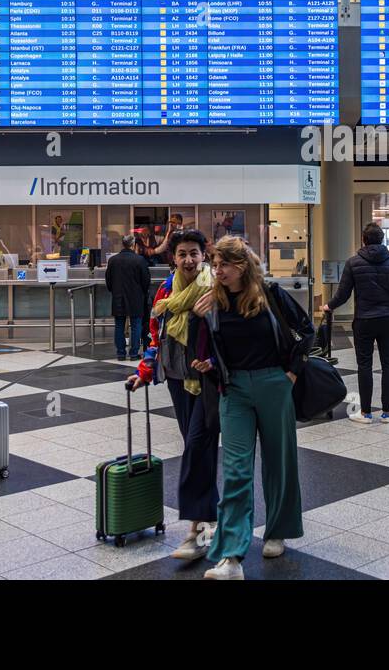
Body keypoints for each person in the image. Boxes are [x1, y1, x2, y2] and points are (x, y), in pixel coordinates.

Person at [193, 236, 309, 580]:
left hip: (275, 383)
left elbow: (307, 331)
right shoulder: (211, 302)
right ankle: (231, 556)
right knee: (235, 470)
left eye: (223, 265)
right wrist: (205, 349)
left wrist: (291, 373)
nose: (217, 271)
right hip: (235, 390)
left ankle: (277, 530)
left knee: (279, 461)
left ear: (241, 266)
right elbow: (207, 350)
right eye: (214, 265)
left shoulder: (271, 295)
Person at [129, 228, 219, 561]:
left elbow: (227, 334)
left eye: (194, 253)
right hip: (177, 378)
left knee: (197, 446)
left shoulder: (214, 287)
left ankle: (196, 527)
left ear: (203, 255)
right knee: (196, 447)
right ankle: (210, 517)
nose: (188, 259)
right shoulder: (166, 291)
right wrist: (144, 372)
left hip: (209, 380)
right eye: (182, 254)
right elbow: (157, 337)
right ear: (174, 257)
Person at [322, 223, 389, 424]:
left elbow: (343, 293)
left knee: (364, 365)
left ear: (364, 239)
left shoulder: (353, 263)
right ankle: (387, 413)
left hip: (364, 321)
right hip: (387, 319)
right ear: (382, 239)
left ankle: (366, 413)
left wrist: (329, 306)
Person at [105, 234, 151, 361]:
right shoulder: (140, 260)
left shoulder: (113, 260)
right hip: (136, 298)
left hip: (118, 297)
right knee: (136, 325)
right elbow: (146, 280)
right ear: (133, 245)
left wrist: (114, 291)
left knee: (119, 325)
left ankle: (120, 353)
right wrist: (142, 292)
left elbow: (108, 280)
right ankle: (134, 353)